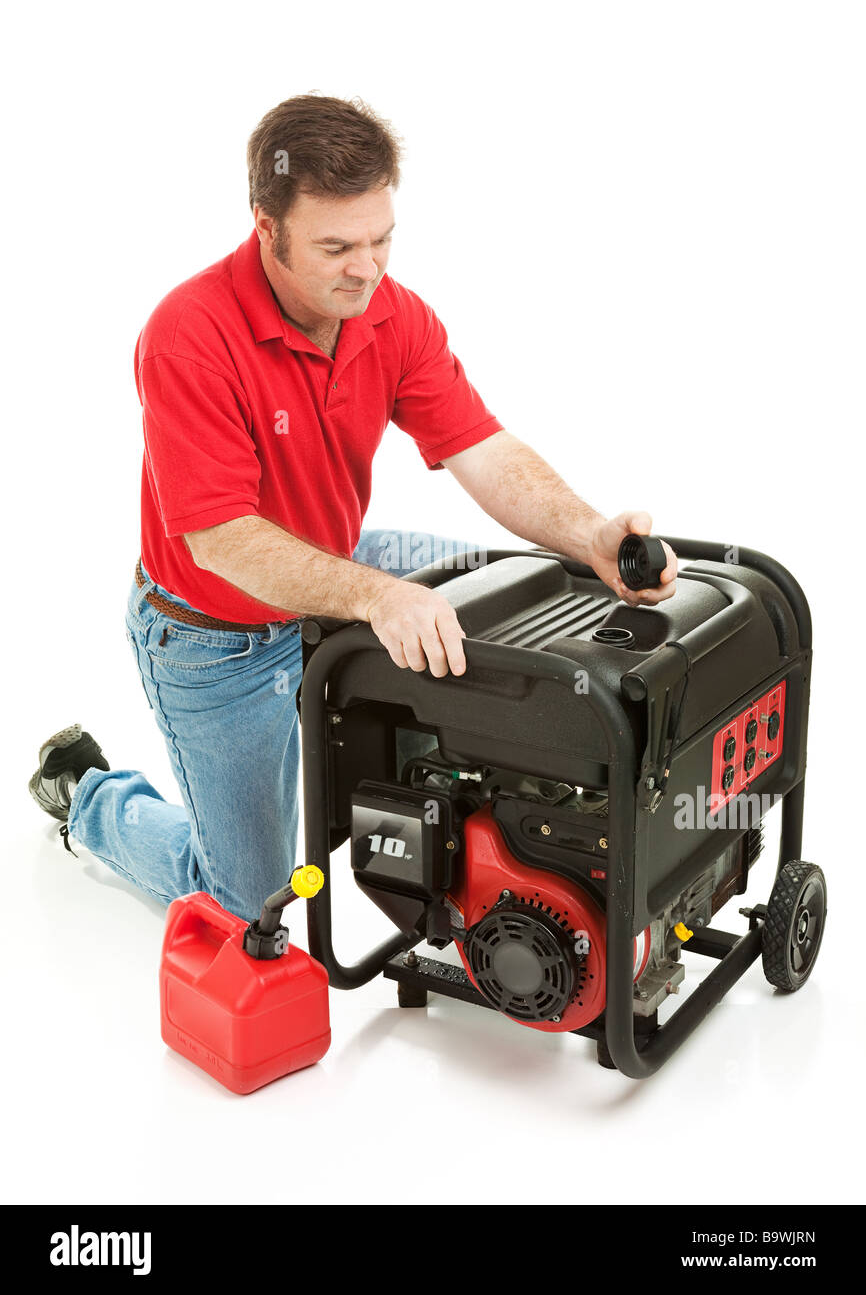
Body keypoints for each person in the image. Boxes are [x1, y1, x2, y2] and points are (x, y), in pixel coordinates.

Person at [29, 94, 677, 924]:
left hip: (340, 559)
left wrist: (588, 532)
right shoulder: (188, 335)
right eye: (336, 247)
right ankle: (87, 796)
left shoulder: (390, 314)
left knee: (521, 589)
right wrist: (378, 597)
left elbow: (482, 450)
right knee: (246, 903)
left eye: (381, 240)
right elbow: (221, 539)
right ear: (267, 227)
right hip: (213, 632)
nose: (366, 269)